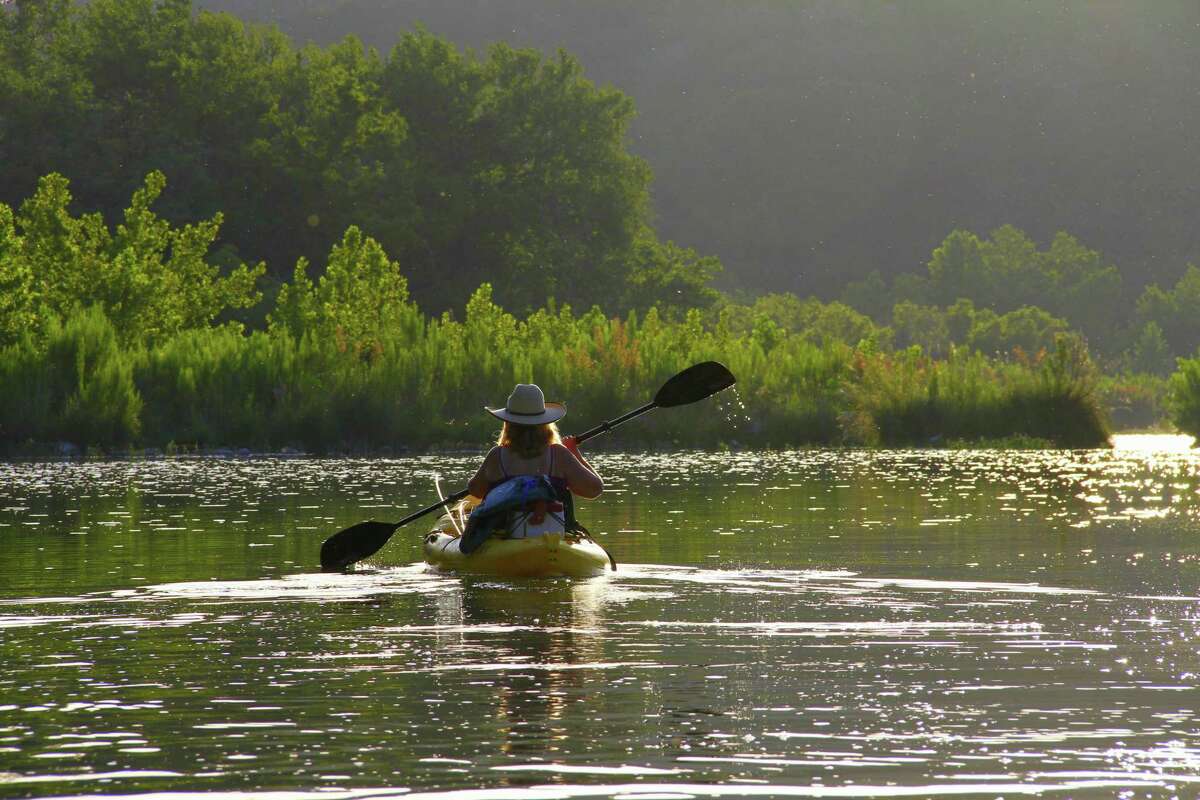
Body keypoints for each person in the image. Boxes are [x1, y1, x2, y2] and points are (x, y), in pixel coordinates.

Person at [467, 383, 603, 502]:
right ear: (544, 424)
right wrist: (574, 452)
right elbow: (594, 490)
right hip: (550, 530)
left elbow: (475, 490)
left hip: (505, 528)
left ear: (508, 424)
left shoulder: (496, 455)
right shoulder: (559, 454)